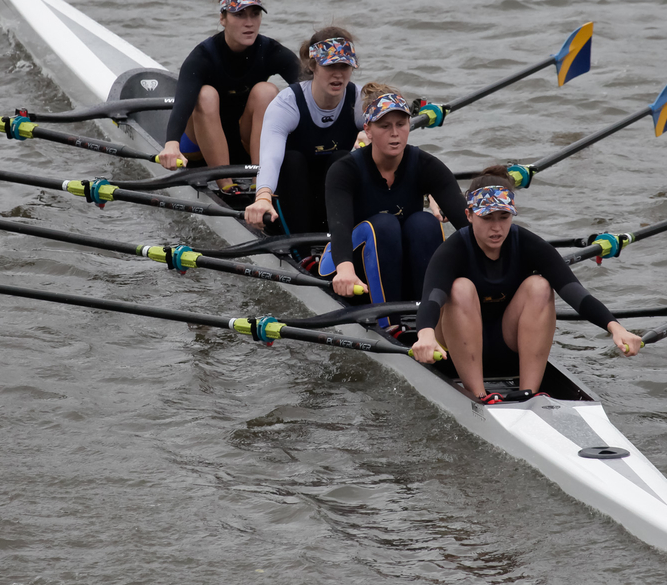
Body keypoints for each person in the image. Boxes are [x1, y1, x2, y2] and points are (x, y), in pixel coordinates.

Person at [411, 169, 644, 403]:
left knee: (540, 286)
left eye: (504, 217)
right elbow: (432, 297)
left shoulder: (528, 243)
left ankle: (529, 395)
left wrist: (615, 327)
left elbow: (573, 291)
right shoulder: (452, 250)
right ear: (469, 215)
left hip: (507, 340)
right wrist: (425, 334)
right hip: (453, 348)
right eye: (487, 218)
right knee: (460, 288)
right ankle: (478, 396)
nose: (496, 227)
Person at [320, 84, 468, 319]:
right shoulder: (344, 170)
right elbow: (340, 229)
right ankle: (388, 322)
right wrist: (345, 269)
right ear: (368, 130)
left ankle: (428, 319)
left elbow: (469, 225)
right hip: (351, 269)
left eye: (401, 124)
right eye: (385, 126)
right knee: (385, 225)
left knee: (425, 223)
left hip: (398, 266)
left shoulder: (427, 166)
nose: (395, 133)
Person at [156, 0, 300, 183]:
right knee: (205, 95)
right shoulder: (203, 56)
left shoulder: (270, 51)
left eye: (255, 14)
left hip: (244, 140)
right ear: (223, 18)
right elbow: (182, 104)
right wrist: (171, 144)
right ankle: (226, 185)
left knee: (267, 91)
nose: (249, 23)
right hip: (197, 147)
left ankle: (261, 184)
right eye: (239, 15)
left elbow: (311, 90)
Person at [243, 28, 362, 235]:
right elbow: (270, 157)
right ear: (313, 65)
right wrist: (262, 196)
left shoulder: (360, 100)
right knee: (293, 161)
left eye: (344, 66)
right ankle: (300, 249)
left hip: (332, 202)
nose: (338, 74)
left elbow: (391, 138)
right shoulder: (287, 103)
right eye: (330, 65)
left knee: (344, 158)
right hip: (289, 201)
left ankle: (338, 241)